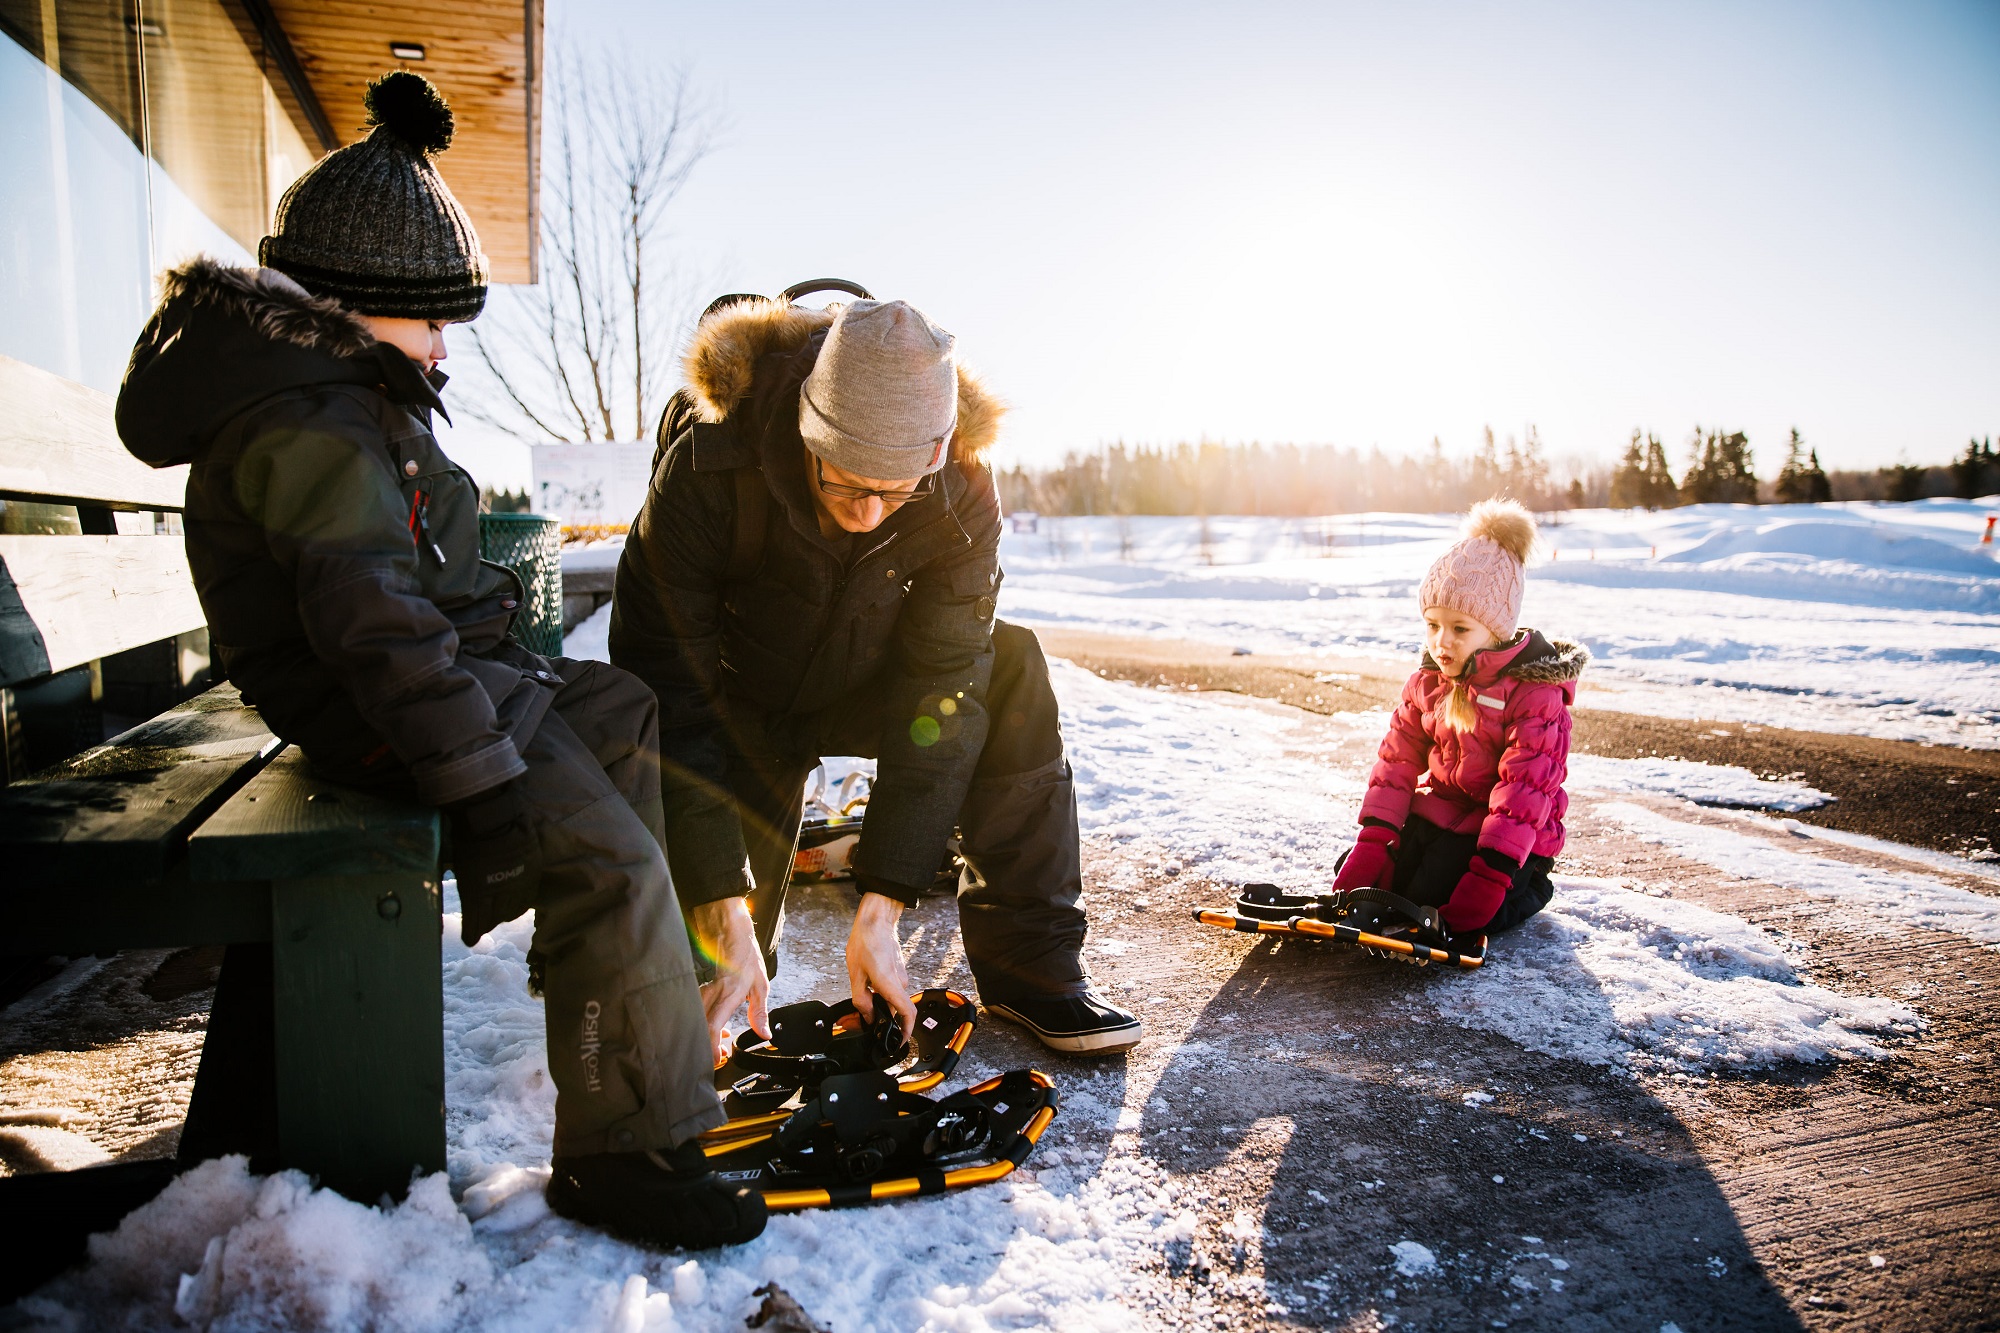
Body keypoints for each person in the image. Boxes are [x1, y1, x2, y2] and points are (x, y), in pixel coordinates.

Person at [115, 72, 763, 1249]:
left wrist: (523, 686)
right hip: (379, 711)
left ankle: (616, 1015)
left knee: (618, 706)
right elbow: (376, 624)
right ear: (350, 304)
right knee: (612, 863)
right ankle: (626, 1152)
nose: (445, 344)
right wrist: (486, 791)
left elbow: (420, 593)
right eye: (432, 321)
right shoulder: (308, 419)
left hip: (426, 681)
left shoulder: (341, 397)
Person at [611, 296, 1142, 1058]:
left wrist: (883, 906)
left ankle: (1034, 964)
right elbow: (667, 688)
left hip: (866, 682)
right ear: (808, 431)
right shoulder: (708, 463)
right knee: (708, 967)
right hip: (734, 703)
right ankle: (694, 968)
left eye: (894, 491)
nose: (867, 510)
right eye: (846, 481)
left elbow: (944, 687)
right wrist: (721, 904)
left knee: (1008, 667)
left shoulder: (960, 487)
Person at [1331, 500, 1588, 935]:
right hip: (1442, 817)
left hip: (1511, 842)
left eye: (1460, 628)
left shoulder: (1535, 696)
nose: (1441, 641)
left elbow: (1523, 792)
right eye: (1432, 625)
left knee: (1440, 896)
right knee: (1380, 883)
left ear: (1498, 630)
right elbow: (1395, 765)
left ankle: (1529, 889)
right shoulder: (1429, 682)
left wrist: (1491, 875)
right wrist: (1376, 840)